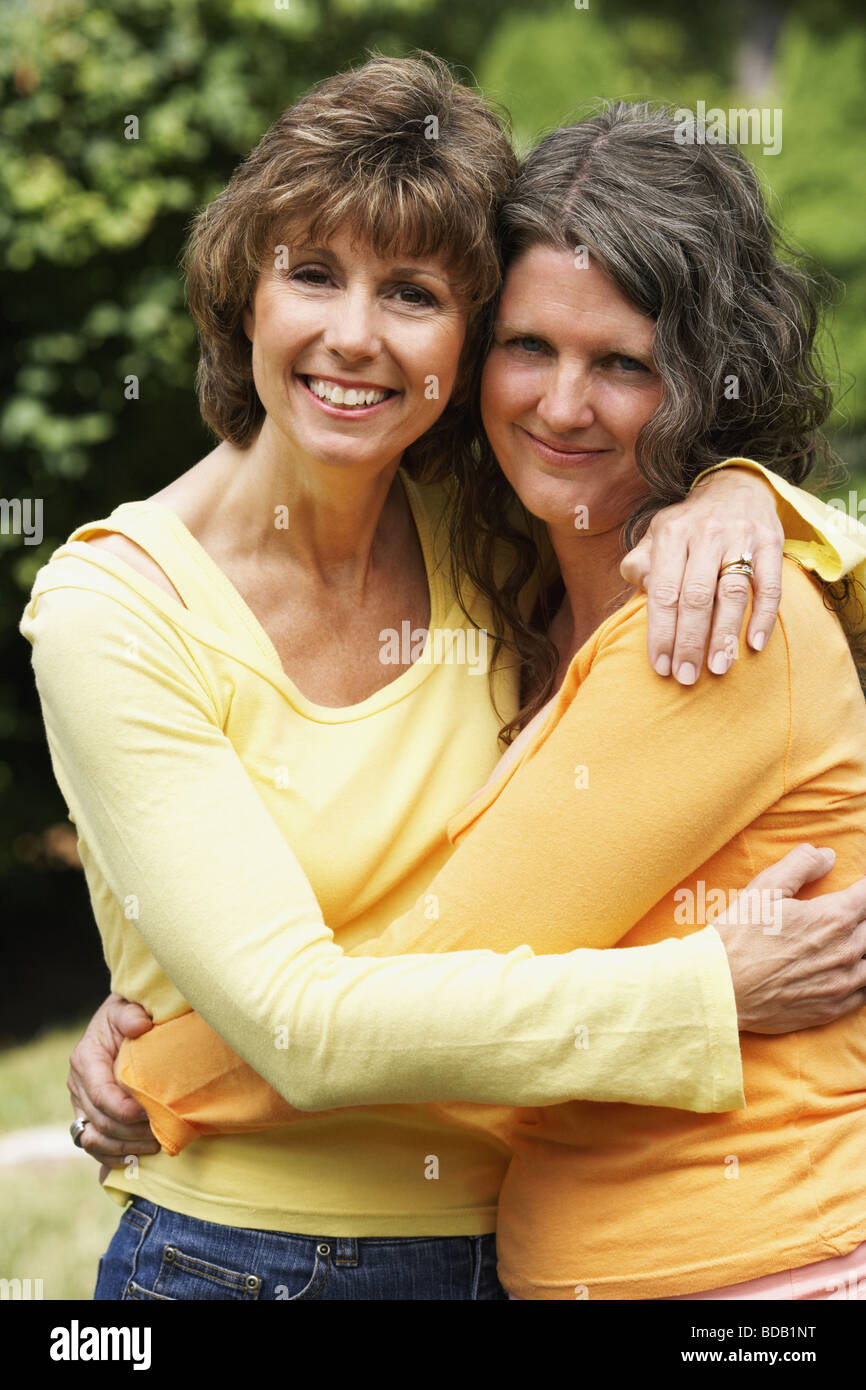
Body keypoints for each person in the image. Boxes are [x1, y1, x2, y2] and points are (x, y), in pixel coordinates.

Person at [25, 60, 866, 1302]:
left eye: (411, 292)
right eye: (312, 273)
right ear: (240, 293)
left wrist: (753, 495)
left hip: (639, 1257)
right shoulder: (155, 605)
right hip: (250, 1255)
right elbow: (316, 1002)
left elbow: (429, 957)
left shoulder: (604, 581)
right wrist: (198, 1020)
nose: (355, 334)